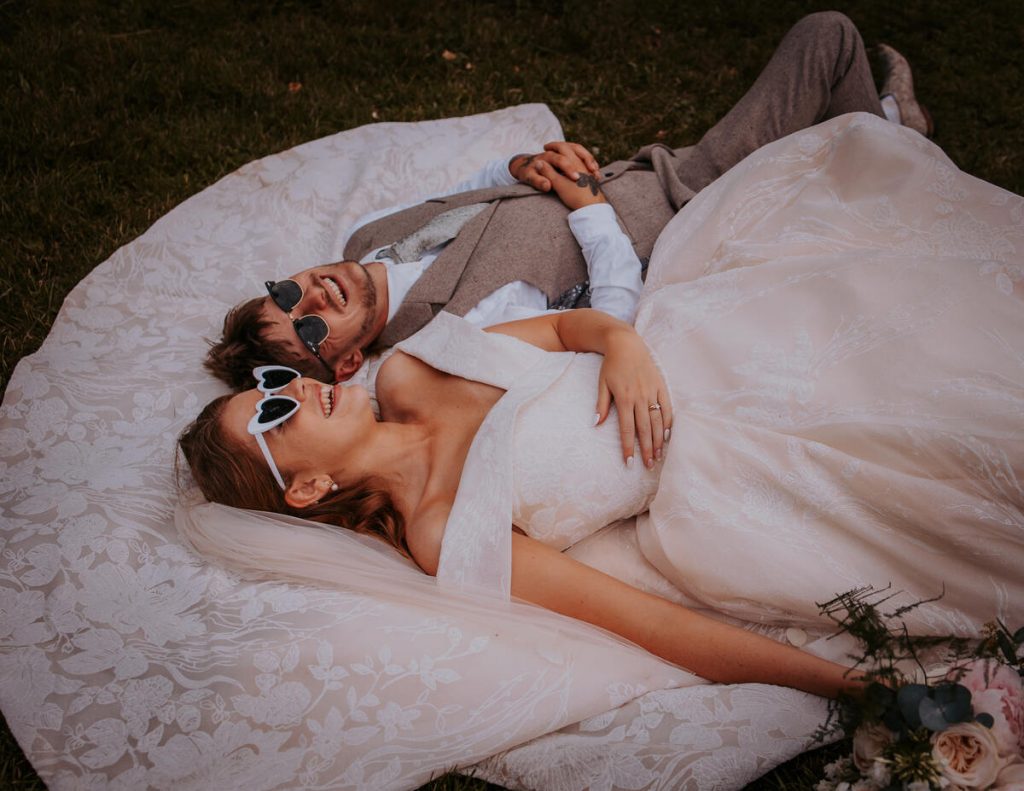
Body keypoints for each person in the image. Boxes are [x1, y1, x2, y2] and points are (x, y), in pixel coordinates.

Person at [202, 11, 934, 391]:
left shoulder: (368, 237)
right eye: (308, 328)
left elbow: (463, 194)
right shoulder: (452, 333)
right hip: (694, 211)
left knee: (831, 132)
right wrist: (586, 207)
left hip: (648, 168)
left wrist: (518, 163)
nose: (314, 294)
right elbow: (608, 316)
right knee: (828, 38)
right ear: (351, 362)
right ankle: (899, 142)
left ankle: (884, 135)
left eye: (286, 290)